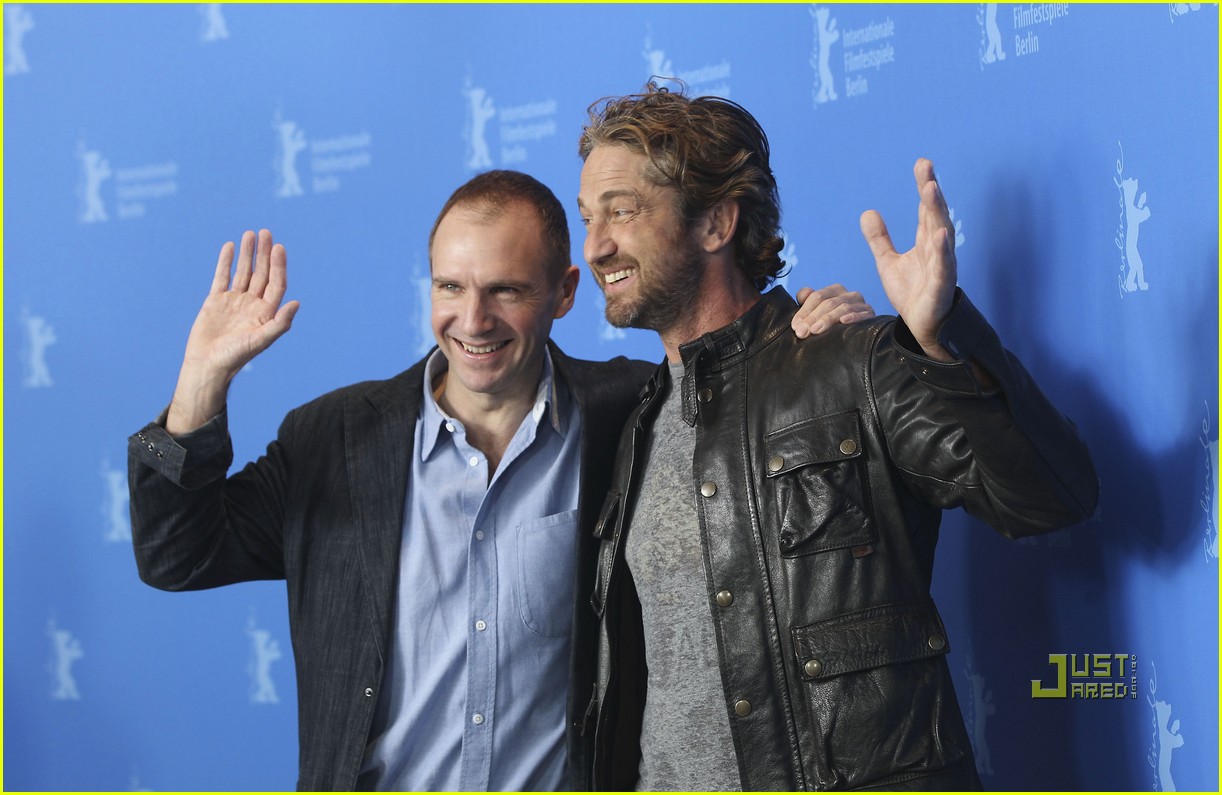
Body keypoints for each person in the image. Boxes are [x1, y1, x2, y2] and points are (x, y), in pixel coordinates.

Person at [127, 170, 872, 790]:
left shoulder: (632, 413)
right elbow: (177, 554)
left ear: (566, 291)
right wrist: (201, 383)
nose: (472, 320)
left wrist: (805, 344)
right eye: (450, 286)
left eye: (506, 290)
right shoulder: (333, 438)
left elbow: (743, 401)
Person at [576, 85, 1100, 791]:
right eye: (588, 218)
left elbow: (1048, 496)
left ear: (716, 223)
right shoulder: (634, 422)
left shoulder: (852, 362)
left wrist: (941, 337)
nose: (596, 245)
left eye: (622, 211)